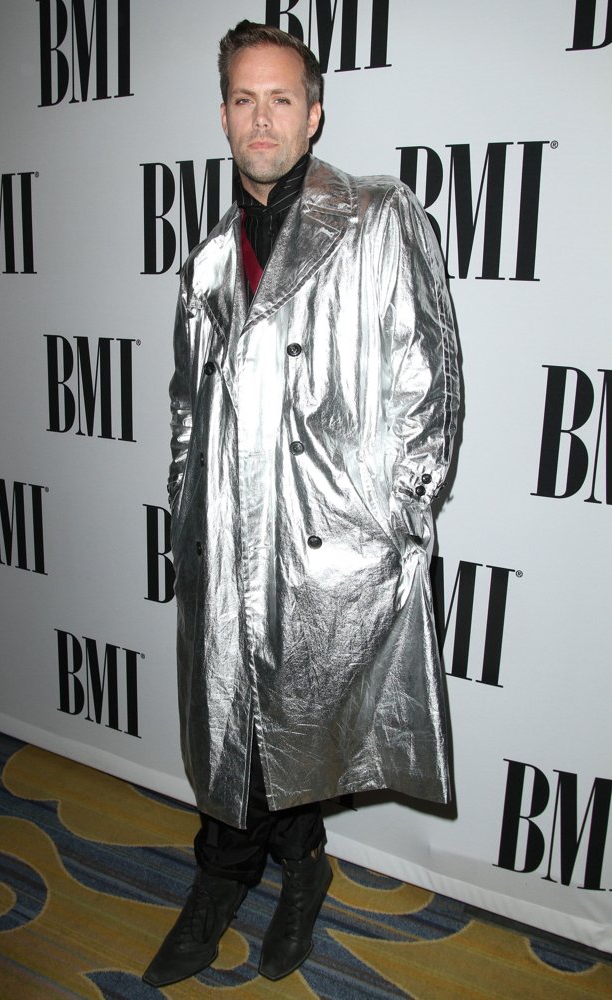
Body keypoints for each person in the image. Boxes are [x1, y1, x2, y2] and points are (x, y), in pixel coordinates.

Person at [143, 19, 460, 988]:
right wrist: (188, 523)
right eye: (244, 98)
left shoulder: (376, 214)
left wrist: (393, 524)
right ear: (226, 115)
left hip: (331, 543)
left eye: (281, 97)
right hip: (228, 539)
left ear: (314, 112)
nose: (262, 117)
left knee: (300, 718)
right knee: (234, 718)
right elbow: (186, 412)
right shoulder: (205, 261)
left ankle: (301, 870)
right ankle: (228, 877)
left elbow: (428, 378)